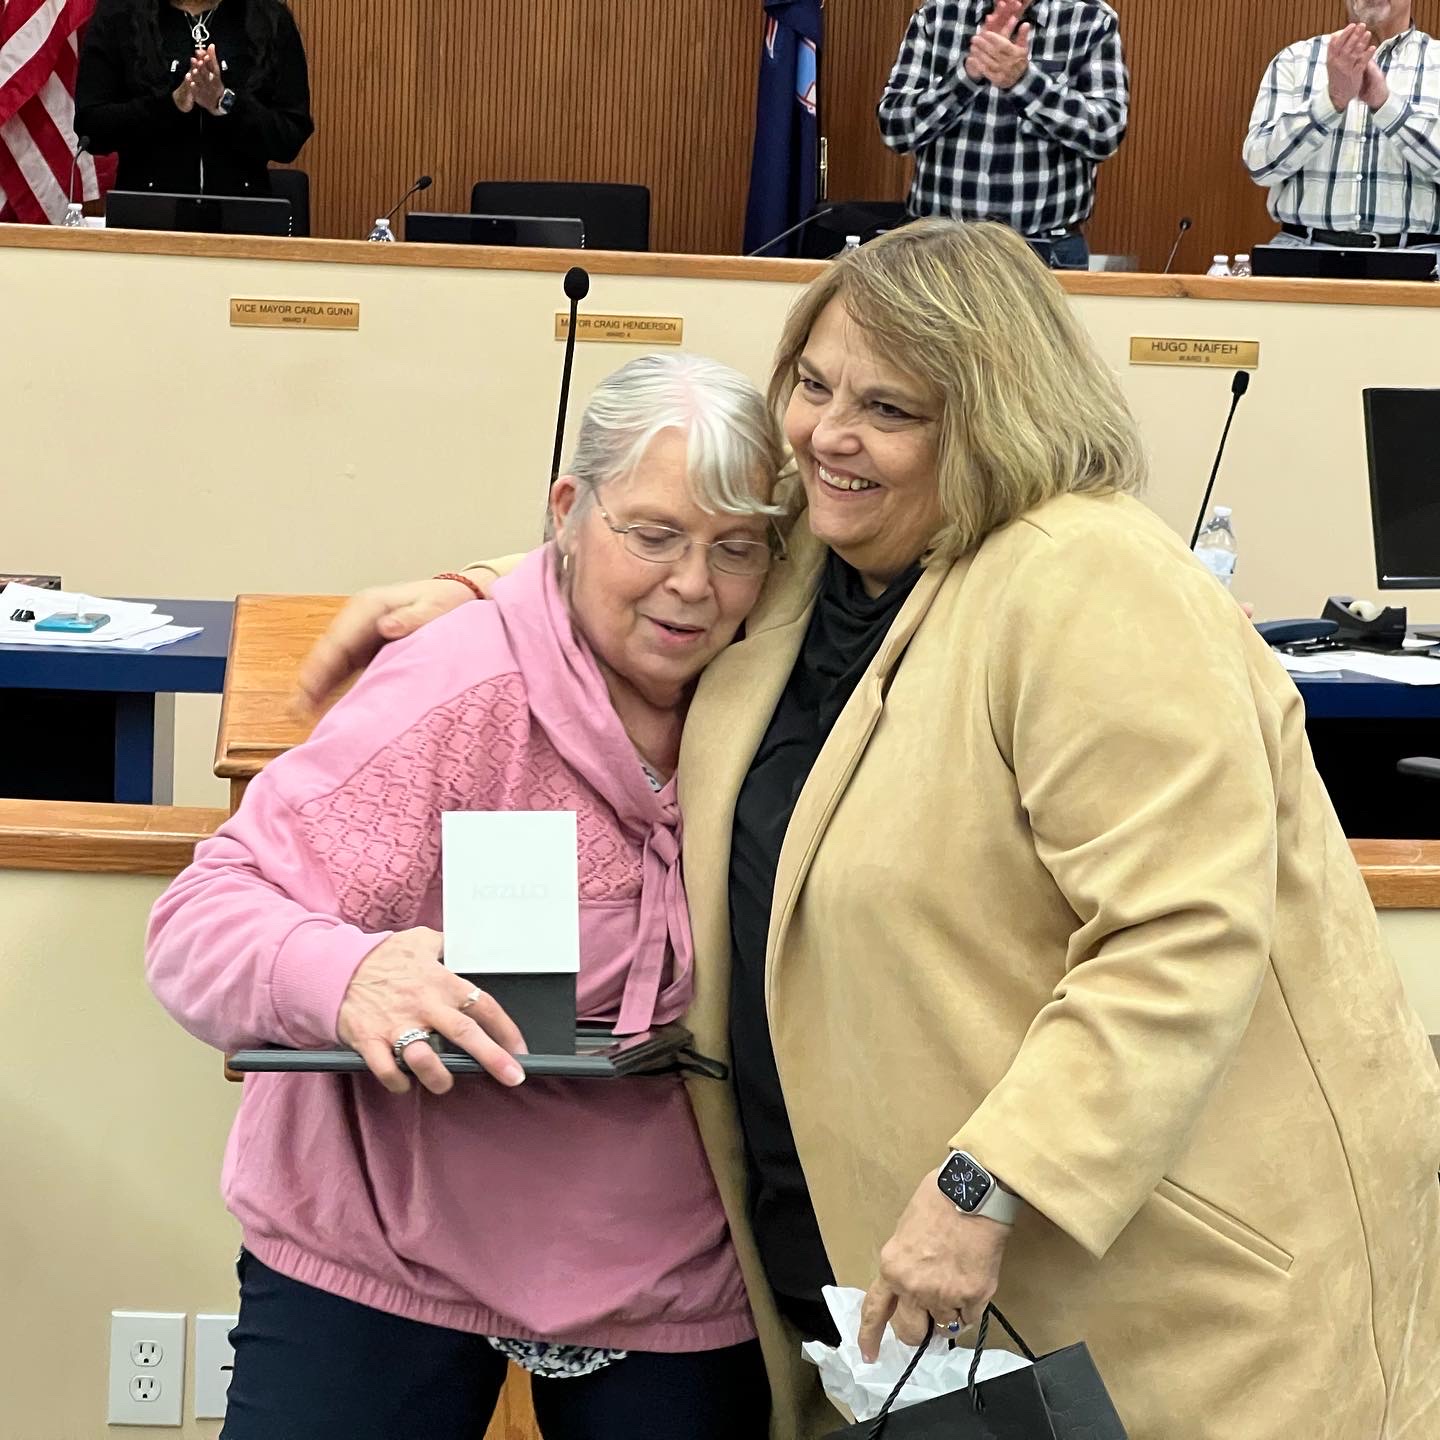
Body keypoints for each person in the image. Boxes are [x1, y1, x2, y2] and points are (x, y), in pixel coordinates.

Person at [295, 221, 1440, 1440]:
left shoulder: (1090, 578)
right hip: (910, 1332)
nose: (827, 436)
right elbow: (669, 535)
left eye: (888, 408)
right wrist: (483, 589)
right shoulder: (827, 563)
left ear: (995, 418)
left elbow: (1182, 937)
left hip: (1163, 1302)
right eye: (813, 383)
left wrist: (978, 1186)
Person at [144, 354, 785, 1440]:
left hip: (670, 1259)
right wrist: (344, 973)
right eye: (654, 535)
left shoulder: (780, 692)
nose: (693, 585)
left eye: (735, 548)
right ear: (570, 513)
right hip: (383, 1231)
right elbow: (201, 916)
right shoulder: (457, 684)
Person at [875, 0, 1128, 270]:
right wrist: (966, 76)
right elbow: (895, 128)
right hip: (937, 247)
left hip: (1045, 251)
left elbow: (1106, 133)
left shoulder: (1090, 19)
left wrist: (1024, 82)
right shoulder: (936, 14)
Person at [1244, 1, 1440, 251]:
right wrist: (1331, 101)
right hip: (1304, 253)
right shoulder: (1294, 60)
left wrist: (1387, 106)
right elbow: (1261, 167)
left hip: (1417, 260)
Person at [75, 0, 313, 199]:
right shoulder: (119, 15)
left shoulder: (269, 18)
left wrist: (224, 102)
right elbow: (91, 128)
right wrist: (171, 106)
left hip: (242, 217)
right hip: (146, 216)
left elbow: (290, 135)